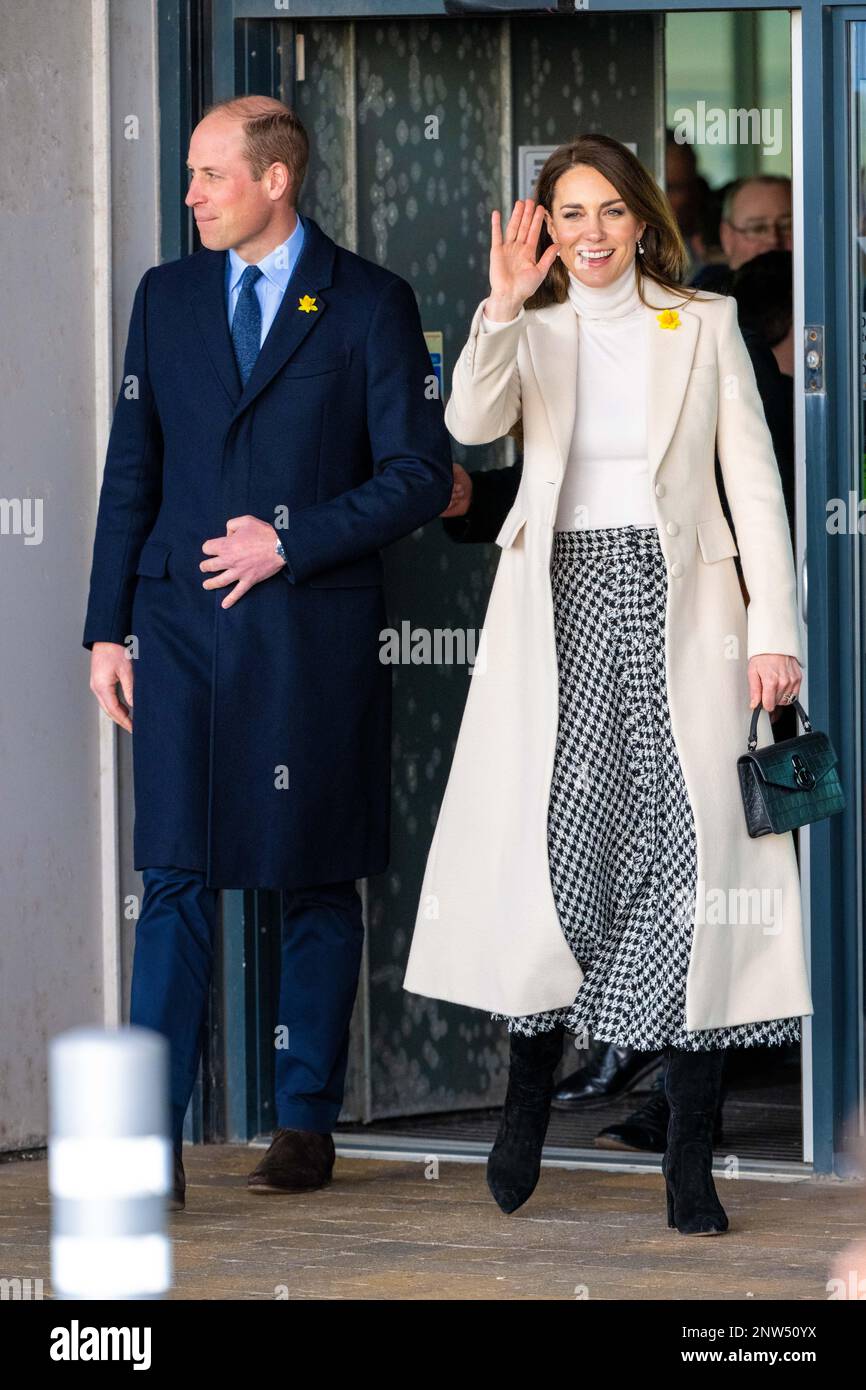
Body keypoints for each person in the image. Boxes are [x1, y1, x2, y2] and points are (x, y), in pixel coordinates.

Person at [404, 133, 812, 1236]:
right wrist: (495, 308)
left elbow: (754, 490)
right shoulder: (525, 330)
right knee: (565, 851)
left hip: (691, 614)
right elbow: (467, 426)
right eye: (567, 214)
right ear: (547, 228)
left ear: (640, 221)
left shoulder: (706, 324)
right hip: (559, 606)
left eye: (605, 213)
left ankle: (688, 1160)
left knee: (690, 860)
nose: (587, 234)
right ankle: (525, 1103)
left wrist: (774, 632)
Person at [83, 95, 452, 1209]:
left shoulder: (367, 302)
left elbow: (419, 474)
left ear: (275, 179)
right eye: (189, 173)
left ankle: (303, 1123)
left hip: (308, 634)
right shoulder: (167, 295)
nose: (189, 194)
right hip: (180, 631)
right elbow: (130, 471)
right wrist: (106, 626)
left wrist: (286, 541)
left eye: (208, 174)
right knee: (174, 877)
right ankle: (147, 1139)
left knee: (311, 874)